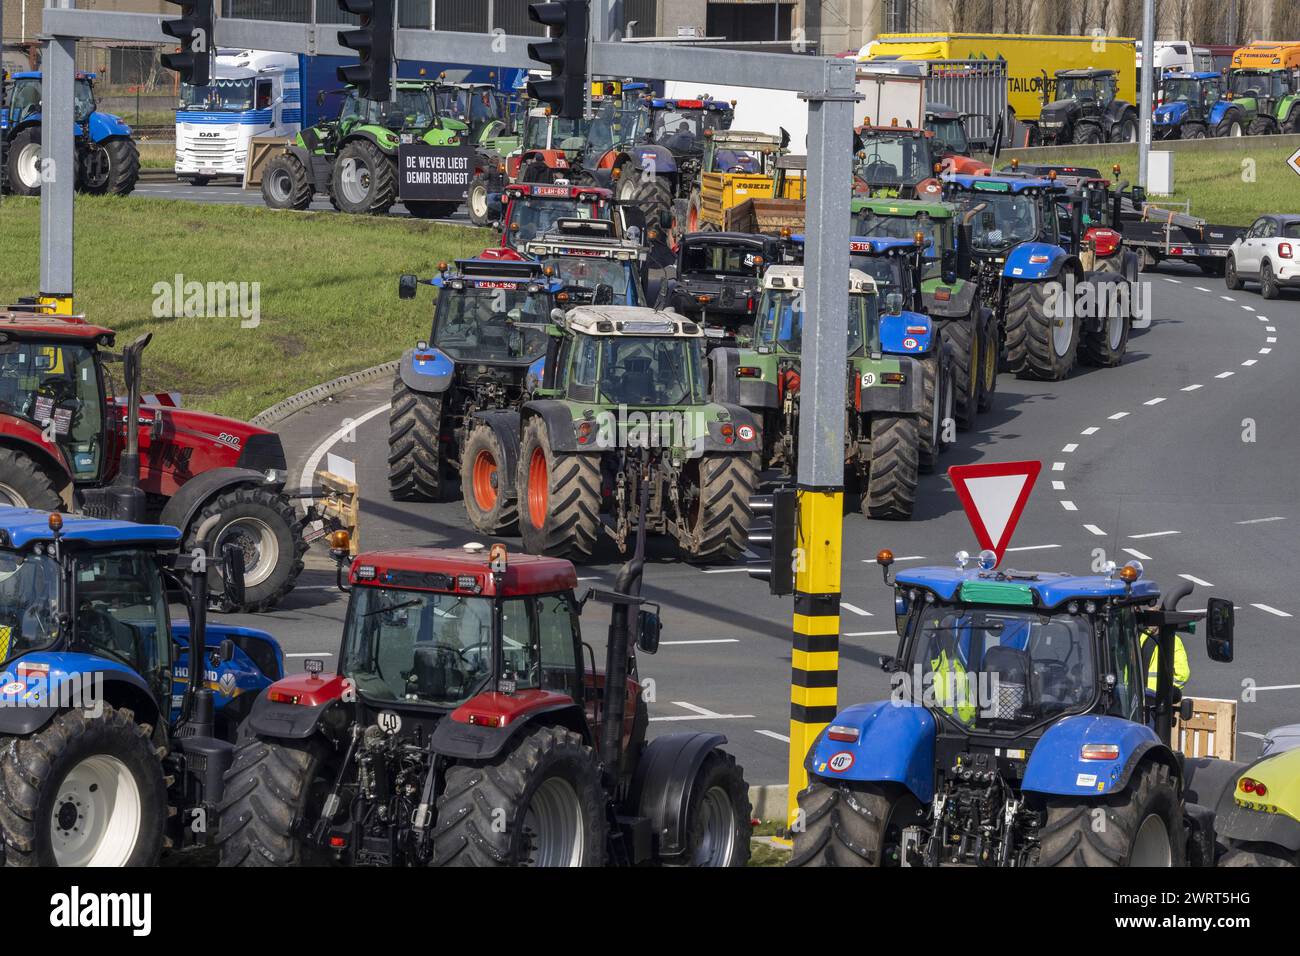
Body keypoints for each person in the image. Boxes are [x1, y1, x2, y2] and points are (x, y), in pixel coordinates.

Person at [1140, 626, 1190, 692]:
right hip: (1137, 693)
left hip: (1156, 695)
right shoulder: (1142, 636)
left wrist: (1166, 691)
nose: (1150, 623)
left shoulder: (1173, 640)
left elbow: (1183, 674)